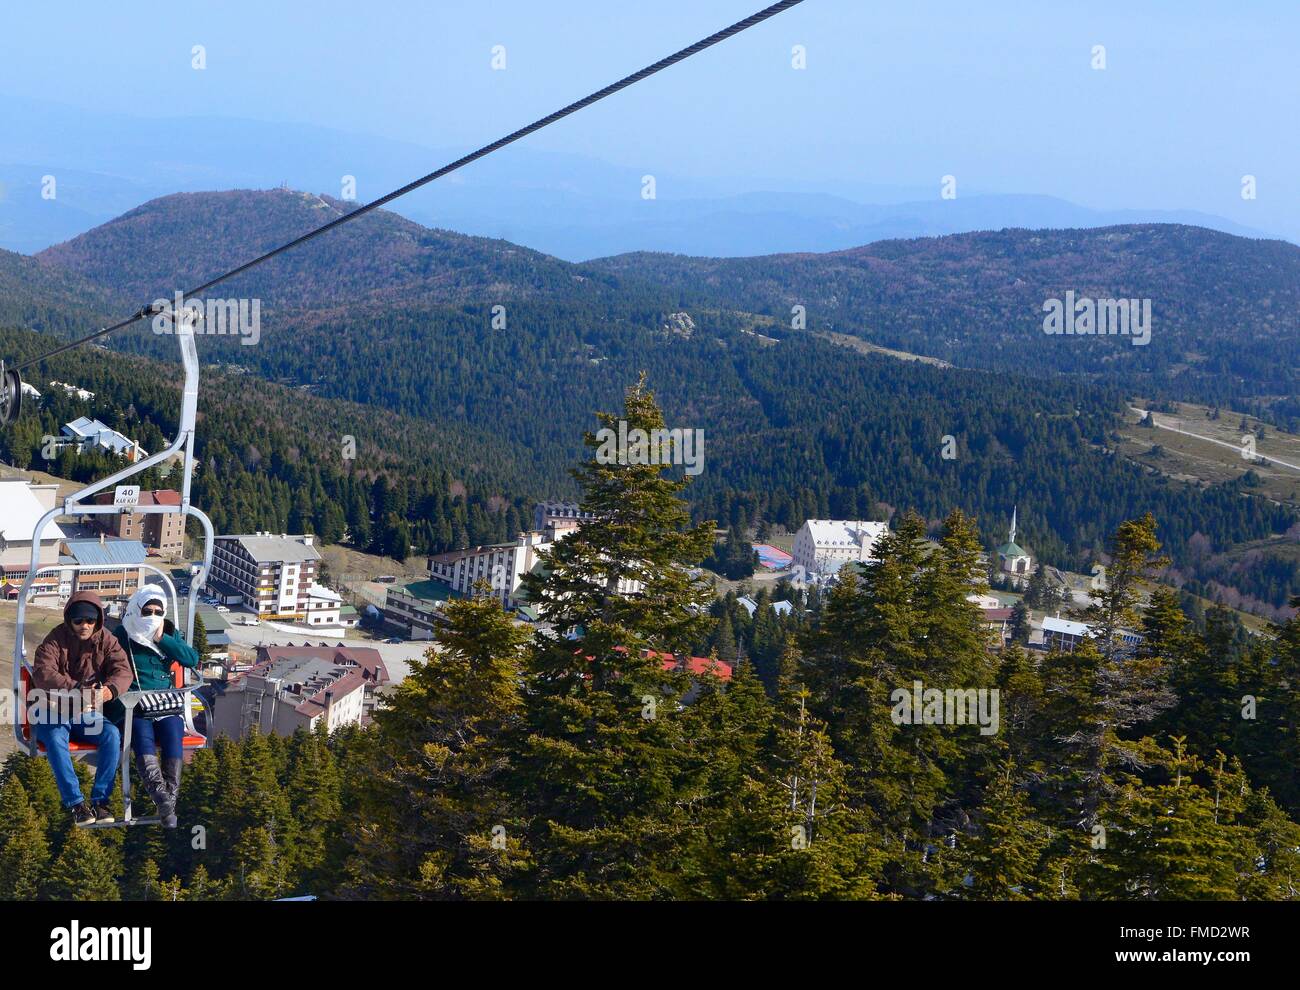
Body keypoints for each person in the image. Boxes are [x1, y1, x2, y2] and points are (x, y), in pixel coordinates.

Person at [31, 590, 132, 826]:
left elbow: (123, 670)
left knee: (111, 735)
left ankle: (100, 801)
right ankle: (76, 804)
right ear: (70, 620)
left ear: (97, 620)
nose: (84, 626)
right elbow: (43, 673)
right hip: (52, 710)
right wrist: (76, 687)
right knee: (56, 739)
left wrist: (110, 690)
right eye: (78, 621)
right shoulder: (55, 640)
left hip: (85, 713)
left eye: (90, 620)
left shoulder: (106, 640)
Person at [109, 585, 200, 828]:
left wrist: (162, 638)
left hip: (163, 703)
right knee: (141, 735)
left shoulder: (168, 631)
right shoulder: (123, 634)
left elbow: (190, 659)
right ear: (137, 609)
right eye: (147, 610)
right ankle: (163, 799)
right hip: (133, 705)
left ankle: (167, 800)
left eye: (157, 611)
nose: (151, 616)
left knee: (173, 732)